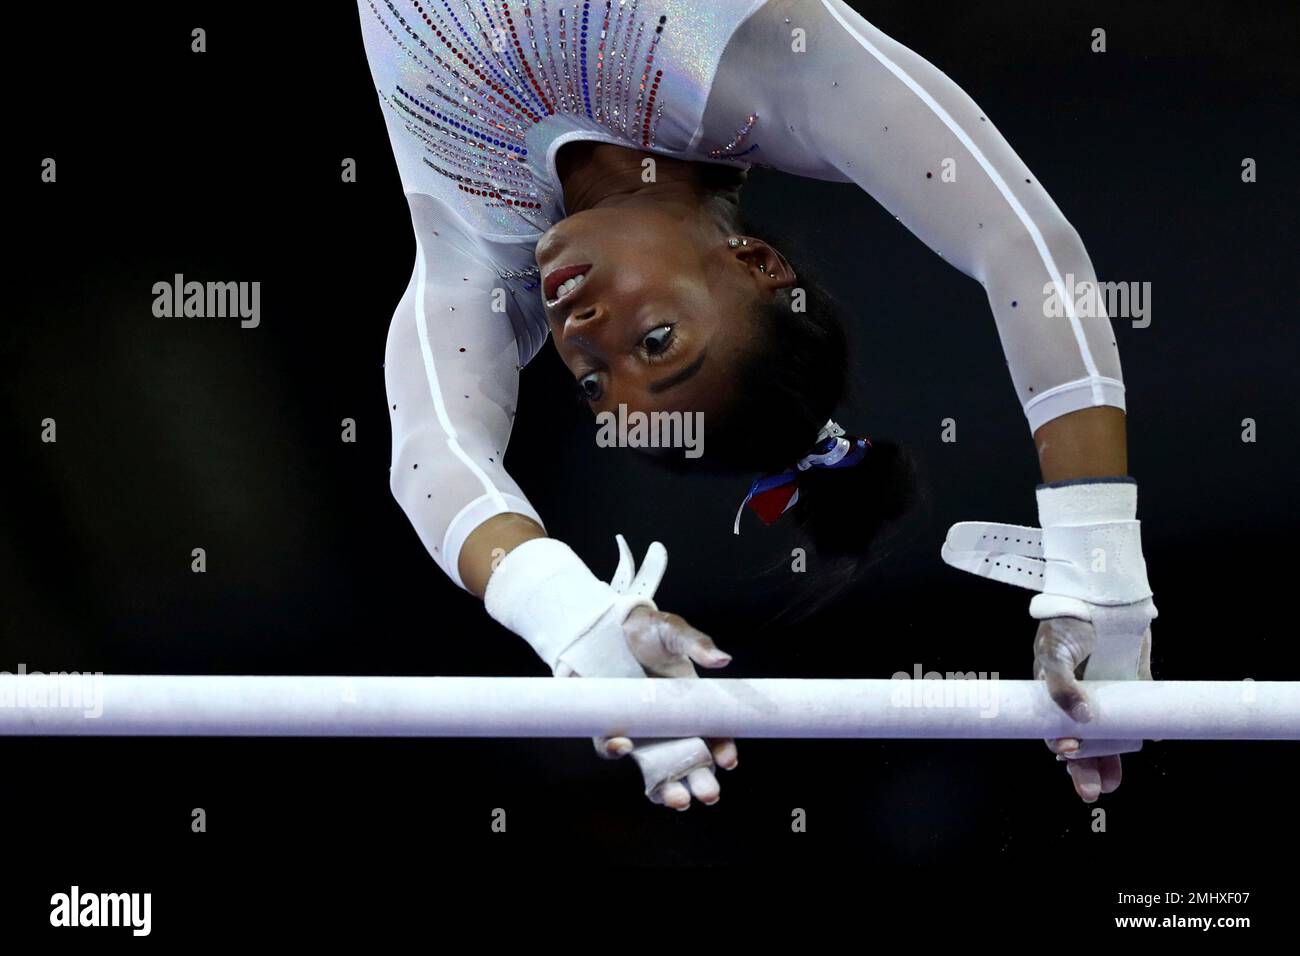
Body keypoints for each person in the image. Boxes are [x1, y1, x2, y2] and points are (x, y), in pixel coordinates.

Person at [358, 0, 1157, 809]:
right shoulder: (770, 66)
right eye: (658, 341)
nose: (585, 337)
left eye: (595, 384)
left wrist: (565, 610)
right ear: (757, 264)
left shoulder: (477, 251)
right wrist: (1100, 564)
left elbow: (433, 451)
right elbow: (1024, 248)